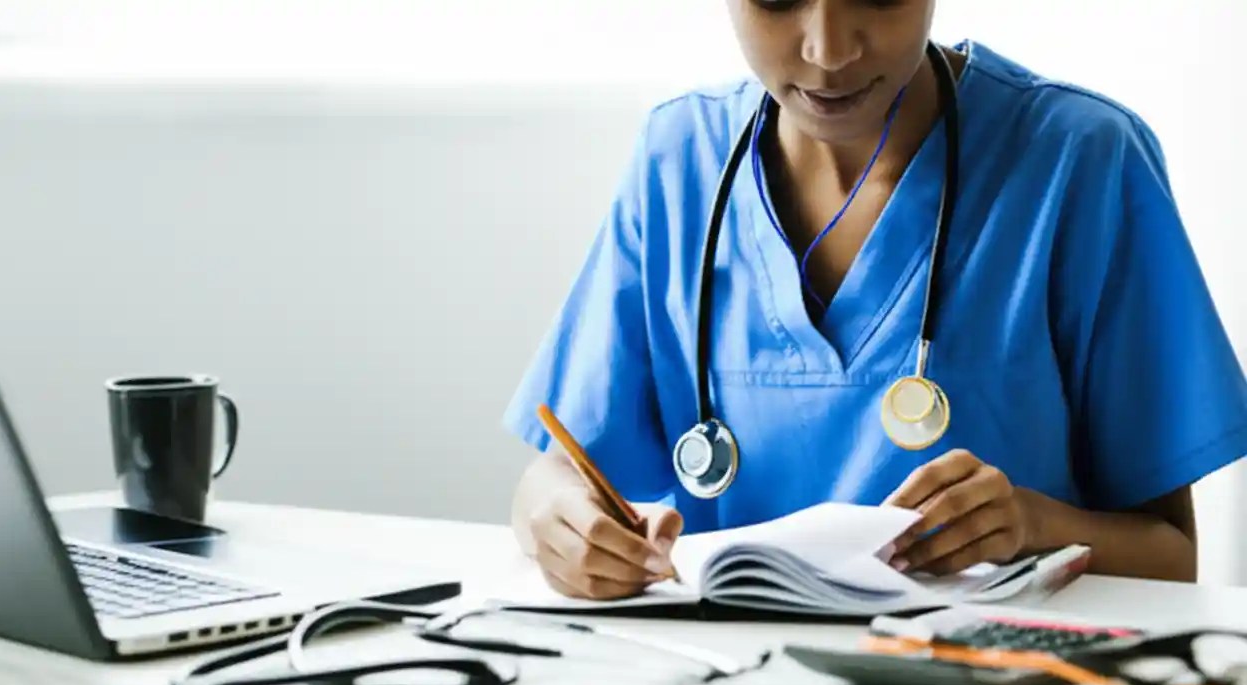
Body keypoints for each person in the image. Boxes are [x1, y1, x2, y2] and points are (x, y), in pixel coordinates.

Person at [502, 0, 1247, 600]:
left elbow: (1171, 560)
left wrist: (1028, 522)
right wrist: (554, 522)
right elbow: (561, 469)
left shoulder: (1079, 160)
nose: (828, 48)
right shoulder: (676, 157)